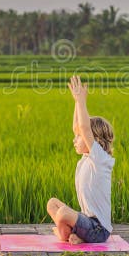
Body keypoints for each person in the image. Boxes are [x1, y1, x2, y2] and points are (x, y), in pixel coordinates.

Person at [47, 75, 115, 244]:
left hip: (99, 229)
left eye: (79, 137)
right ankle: (72, 235)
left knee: (62, 213)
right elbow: (78, 126)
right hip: (86, 222)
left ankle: (70, 236)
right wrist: (76, 103)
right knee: (52, 204)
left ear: (95, 139)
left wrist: (81, 100)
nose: (74, 139)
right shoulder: (88, 158)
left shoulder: (99, 159)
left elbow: (84, 128)